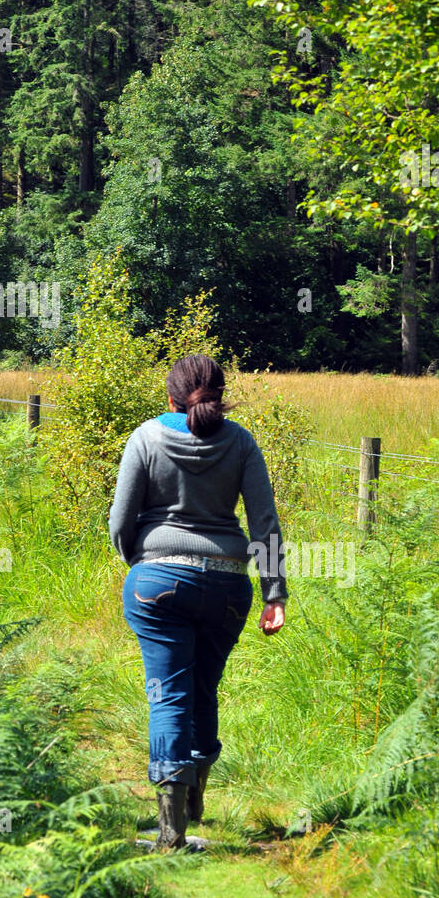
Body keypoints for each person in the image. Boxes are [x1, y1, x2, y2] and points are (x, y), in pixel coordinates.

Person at [109, 353, 286, 850]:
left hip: (156, 583)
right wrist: (276, 594)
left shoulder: (146, 437)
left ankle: (170, 833)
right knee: (204, 688)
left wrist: (140, 562)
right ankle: (194, 798)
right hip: (228, 585)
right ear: (218, 395)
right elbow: (264, 523)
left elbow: (121, 521)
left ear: (170, 397)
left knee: (169, 693)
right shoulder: (241, 442)